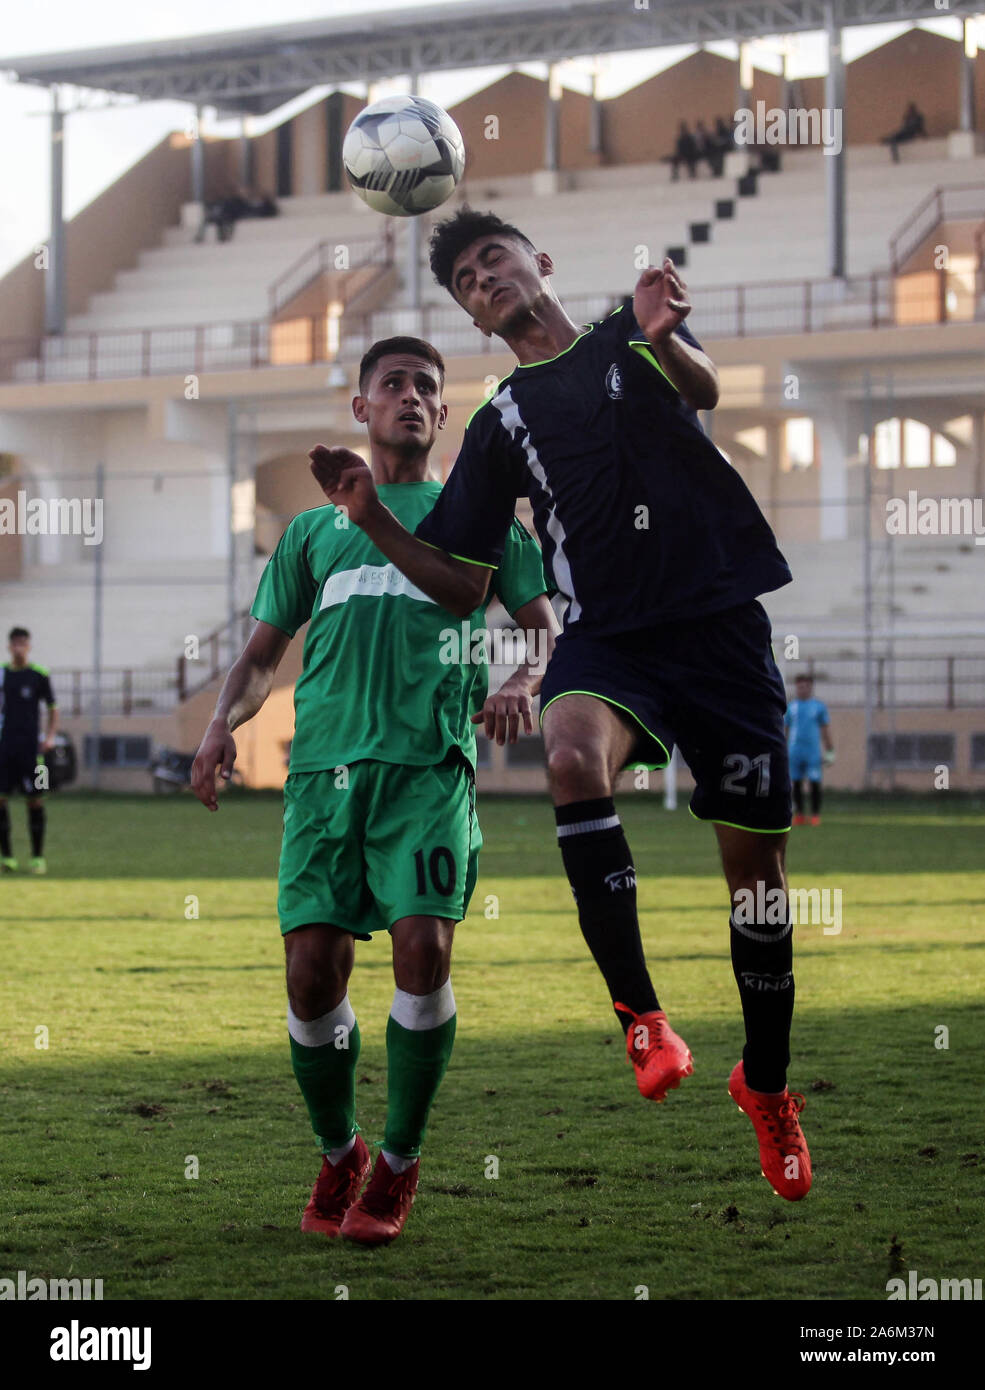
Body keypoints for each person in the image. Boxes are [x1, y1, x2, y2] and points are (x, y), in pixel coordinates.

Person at [307, 208, 813, 1202]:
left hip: (719, 626)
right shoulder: (499, 422)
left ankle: (766, 1082)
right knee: (571, 753)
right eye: (462, 279)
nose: (481, 278)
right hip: (608, 635)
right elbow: (458, 581)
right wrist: (367, 516)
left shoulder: (627, 334)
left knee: (756, 879)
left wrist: (665, 333)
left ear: (536, 263)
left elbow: (702, 390)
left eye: (492, 258)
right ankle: (641, 1016)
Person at [192, 335, 556, 1245]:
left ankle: (396, 1162)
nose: (408, 397)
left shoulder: (479, 522)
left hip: (427, 773)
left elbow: (547, 633)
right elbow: (260, 658)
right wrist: (219, 726)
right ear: (360, 409)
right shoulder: (313, 532)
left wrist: (520, 680)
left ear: (442, 414)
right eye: (390, 383)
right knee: (311, 975)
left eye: (425, 388)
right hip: (319, 780)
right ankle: (338, 1147)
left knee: (423, 952)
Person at [0, 626, 57, 875]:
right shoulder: (1, 674)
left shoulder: (39, 674)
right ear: (9, 646)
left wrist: (51, 736)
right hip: (3, 749)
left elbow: (53, 707)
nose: (19, 647)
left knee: (36, 801)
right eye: (15, 643)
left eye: (23, 643)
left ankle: (37, 858)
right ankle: (8, 858)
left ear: (29, 646)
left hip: (33, 752)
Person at [785, 673, 834, 826]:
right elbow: (786, 729)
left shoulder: (818, 707)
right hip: (794, 751)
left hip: (812, 752)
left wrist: (830, 750)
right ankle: (799, 814)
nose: (803, 690)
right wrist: (781, 748)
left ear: (811, 688)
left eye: (806, 686)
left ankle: (815, 815)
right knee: (796, 783)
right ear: (796, 688)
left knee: (814, 783)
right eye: (800, 687)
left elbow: (825, 729)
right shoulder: (791, 707)